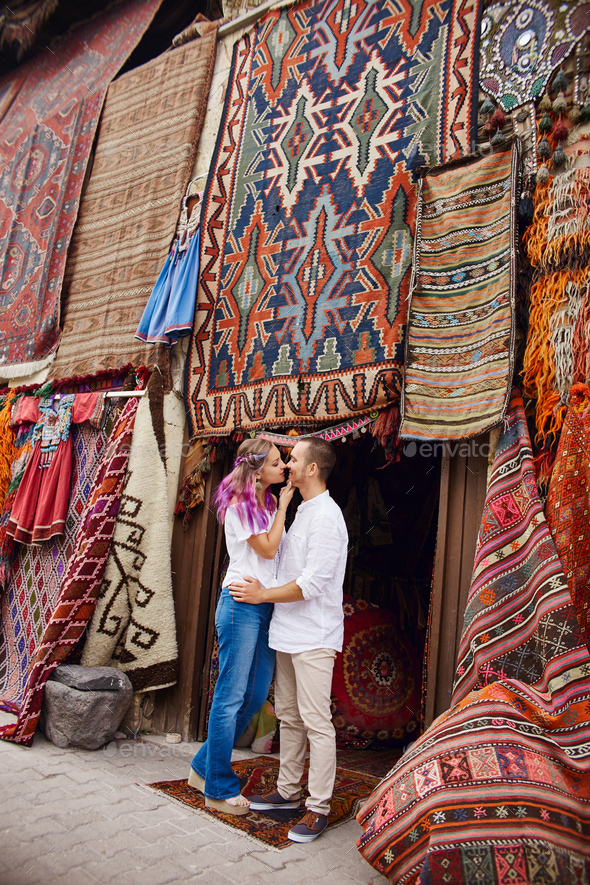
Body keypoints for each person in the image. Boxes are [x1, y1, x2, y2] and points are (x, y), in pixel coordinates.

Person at [229, 437, 347, 841]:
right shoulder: (301, 511)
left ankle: (318, 809)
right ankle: (288, 791)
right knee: (292, 719)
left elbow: (312, 584)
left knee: (317, 723)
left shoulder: (328, 517)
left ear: (312, 469)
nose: (287, 466)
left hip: (314, 635)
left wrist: (262, 595)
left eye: (293, 460)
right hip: (287, 632)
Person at [188, 438, 294, 814]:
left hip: (263, 605)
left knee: (254, 695)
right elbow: (266, 549)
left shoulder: (264, 505)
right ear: (257, 470)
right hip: (240, 607)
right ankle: (217, 787)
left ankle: (202, 766)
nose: (283, 467)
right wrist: (284, 506)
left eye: (284, 462)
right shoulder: (241, 505)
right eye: (277, 462)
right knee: (230, 695)